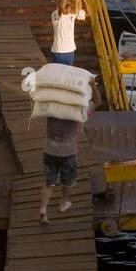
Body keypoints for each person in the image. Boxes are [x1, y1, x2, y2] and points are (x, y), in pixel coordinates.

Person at [39, 77, 101, 224]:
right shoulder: (77, 110)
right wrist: (92, 85)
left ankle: (43, 209)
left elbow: (42, 97)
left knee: (49, 183)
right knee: (67, 181)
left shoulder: (51, 108)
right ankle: (64, 203)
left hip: (49, 150)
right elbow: (98, 103)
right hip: (68, 152)